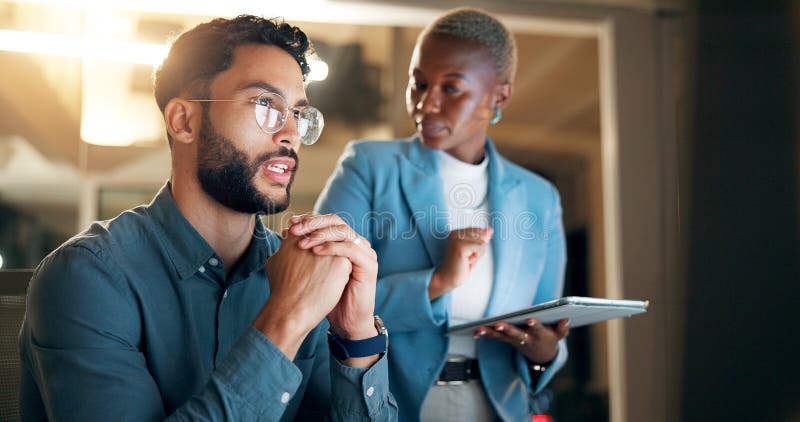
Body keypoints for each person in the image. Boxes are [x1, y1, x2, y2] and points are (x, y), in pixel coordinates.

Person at [18, 15, 397, 421]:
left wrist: (356, 335)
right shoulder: (85, 277)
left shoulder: (300, 267)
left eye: (298, 115)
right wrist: (285, 320)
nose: (290, 133)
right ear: (184, 121)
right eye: (265, 105)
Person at [314, 7, 569, 421]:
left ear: (499, 96)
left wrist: (546, 353)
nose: (426, 103)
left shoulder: (540, 198)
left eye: (451, 89)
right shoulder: (369, 166)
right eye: (419, 83)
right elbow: (320, 295)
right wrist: (436, 283)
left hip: (500, 406)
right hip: (390, 400)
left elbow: (547, 323)